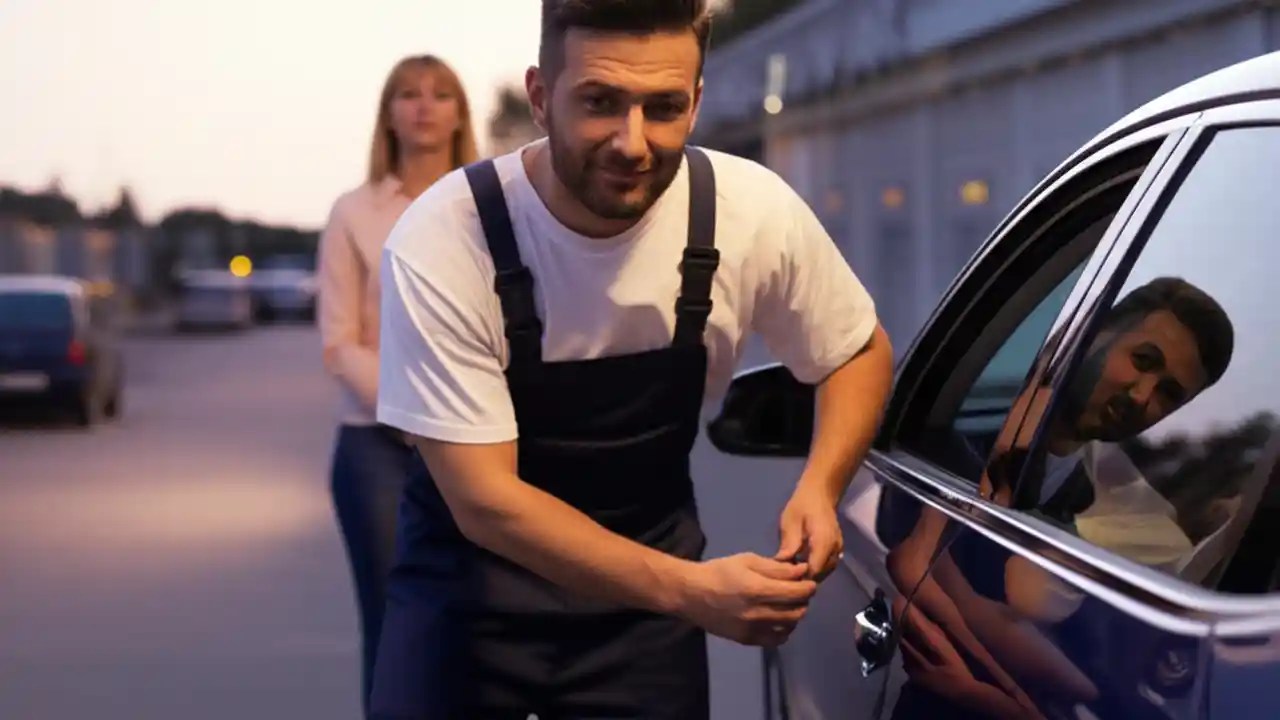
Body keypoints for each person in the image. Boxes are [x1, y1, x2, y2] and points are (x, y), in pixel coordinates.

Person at [369, 2, 895, 717]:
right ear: (540, 96)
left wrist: (821, 486)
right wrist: (693, 591)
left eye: (664, 107)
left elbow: (856, 349)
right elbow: (486, 502)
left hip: (644, 623)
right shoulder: (444, 239)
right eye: (600, 103)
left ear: (698, 100)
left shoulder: (747, 211)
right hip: (470, 601)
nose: (632, 142)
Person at [316, 53, 478, 713]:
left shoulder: (487, 203)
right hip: (379, 449)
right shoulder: (353, 212)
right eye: (408, 94)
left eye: (441, 94)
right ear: (388, 113)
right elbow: (338, 343)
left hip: (478, 446)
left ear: (460, 113)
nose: (424, 105)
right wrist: (410, 413)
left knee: (478, 632)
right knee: (395, 634)